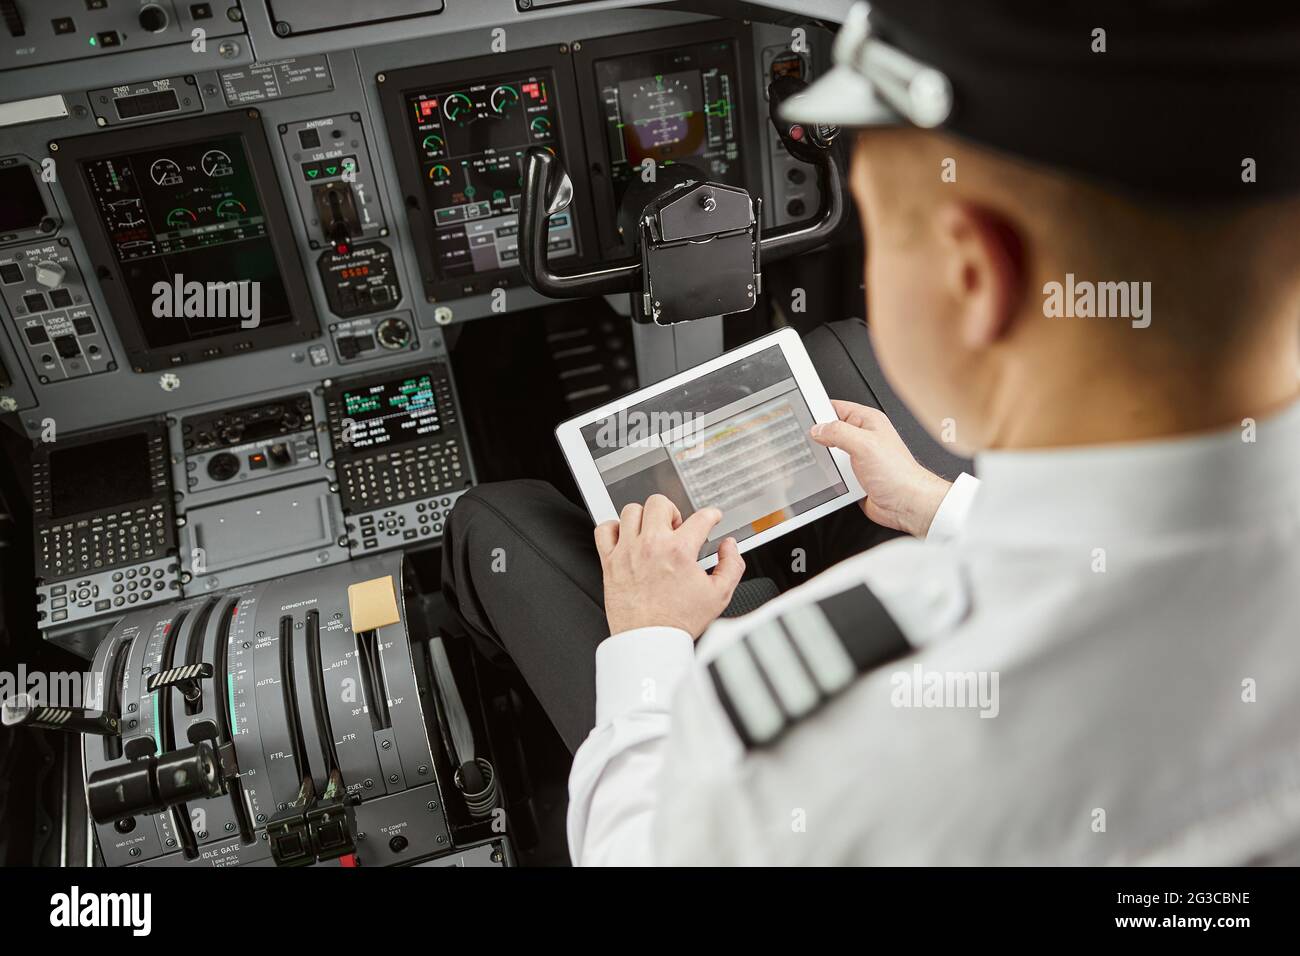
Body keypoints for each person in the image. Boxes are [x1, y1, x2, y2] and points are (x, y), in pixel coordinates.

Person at [444, 0, 1300, 864]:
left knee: (497, 516)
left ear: (974, 278)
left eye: (882, 226)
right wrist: (942, 508)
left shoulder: (821, 736)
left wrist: (647, 642)